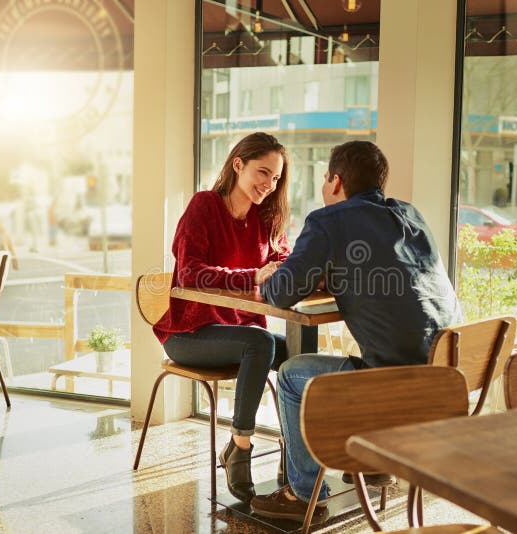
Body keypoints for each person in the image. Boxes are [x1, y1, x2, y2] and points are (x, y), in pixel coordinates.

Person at [250, 140, 462, 524]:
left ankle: (303, 495)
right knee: (375, 352)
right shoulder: (409, 214)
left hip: (390, 386)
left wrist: (267, 278)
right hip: (442, 380)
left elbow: (282, 293)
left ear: (335, 181)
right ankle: (373, 461)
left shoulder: (329, 221)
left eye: (325, 179)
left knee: (292, 374)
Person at [152, 132, 291, 503]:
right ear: (238, 164)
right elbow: (190, 273)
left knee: (297, 353)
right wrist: (251, 276)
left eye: (276, 178)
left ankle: (294, 453)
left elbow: (285, 261)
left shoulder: (265, 220)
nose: (269, 184)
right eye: (263, 173)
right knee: (259, 342)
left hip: (238, 335)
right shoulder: (204, 206)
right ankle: (239, 448)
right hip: (188, 334)